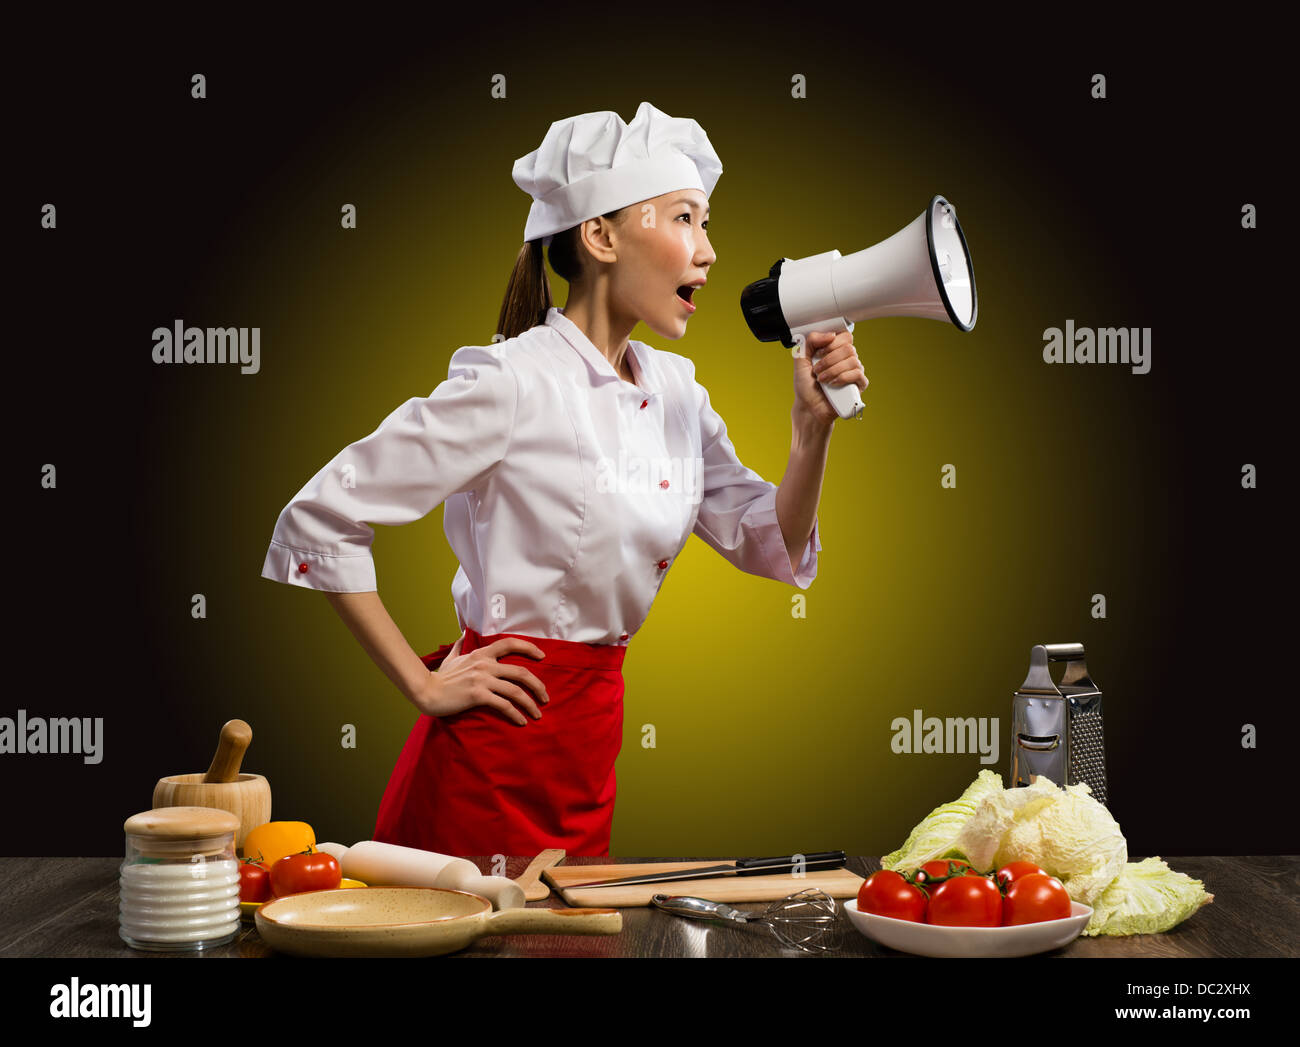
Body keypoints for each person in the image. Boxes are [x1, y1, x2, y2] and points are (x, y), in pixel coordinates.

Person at [260, 102, 867, 858]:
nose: (708, 251)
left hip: (586, 757)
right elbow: (318, 517)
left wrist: (812, 431)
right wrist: (425, 686)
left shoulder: (678, 390)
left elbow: (771, 542)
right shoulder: (511, 381)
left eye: (707, 223)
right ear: (600, 235)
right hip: (483, 768)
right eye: (684, 218)